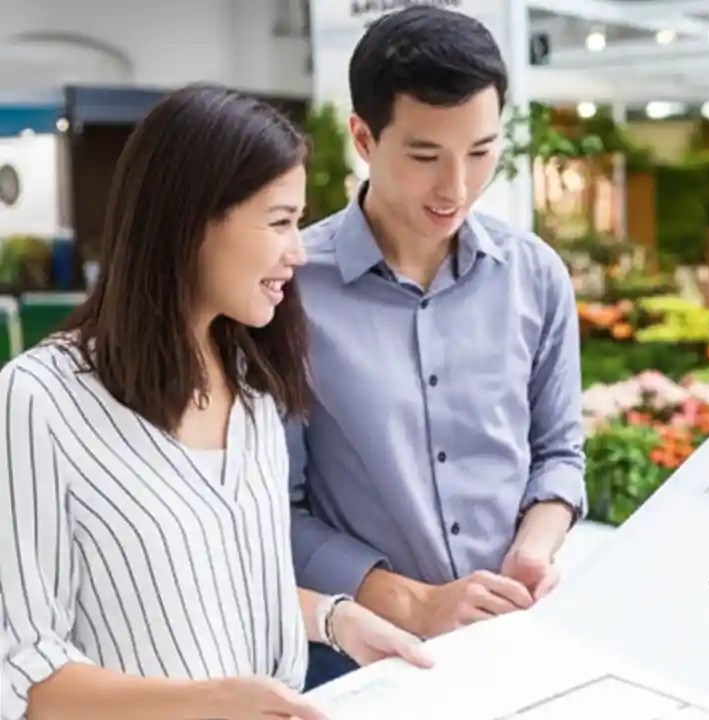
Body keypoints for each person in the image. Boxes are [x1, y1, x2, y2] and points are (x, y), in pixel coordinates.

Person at [0, 83, 431, 720]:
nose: (299, 250)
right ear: (192, 219)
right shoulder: (39, 400)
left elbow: (218, 584)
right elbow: (24, 672)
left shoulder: (252, 383)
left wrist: (337, 620)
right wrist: (209, 702)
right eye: (280, 221)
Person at [287, 6, 586, 686]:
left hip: (512, 642)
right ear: (363, 137)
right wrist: (417, 603)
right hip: (355, 658)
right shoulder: (290, 289)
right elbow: (271, 509)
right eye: (425, 156)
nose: (456, 188)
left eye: (481, 152)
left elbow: (559, 453)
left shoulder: (535, 277)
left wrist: (535, 549)